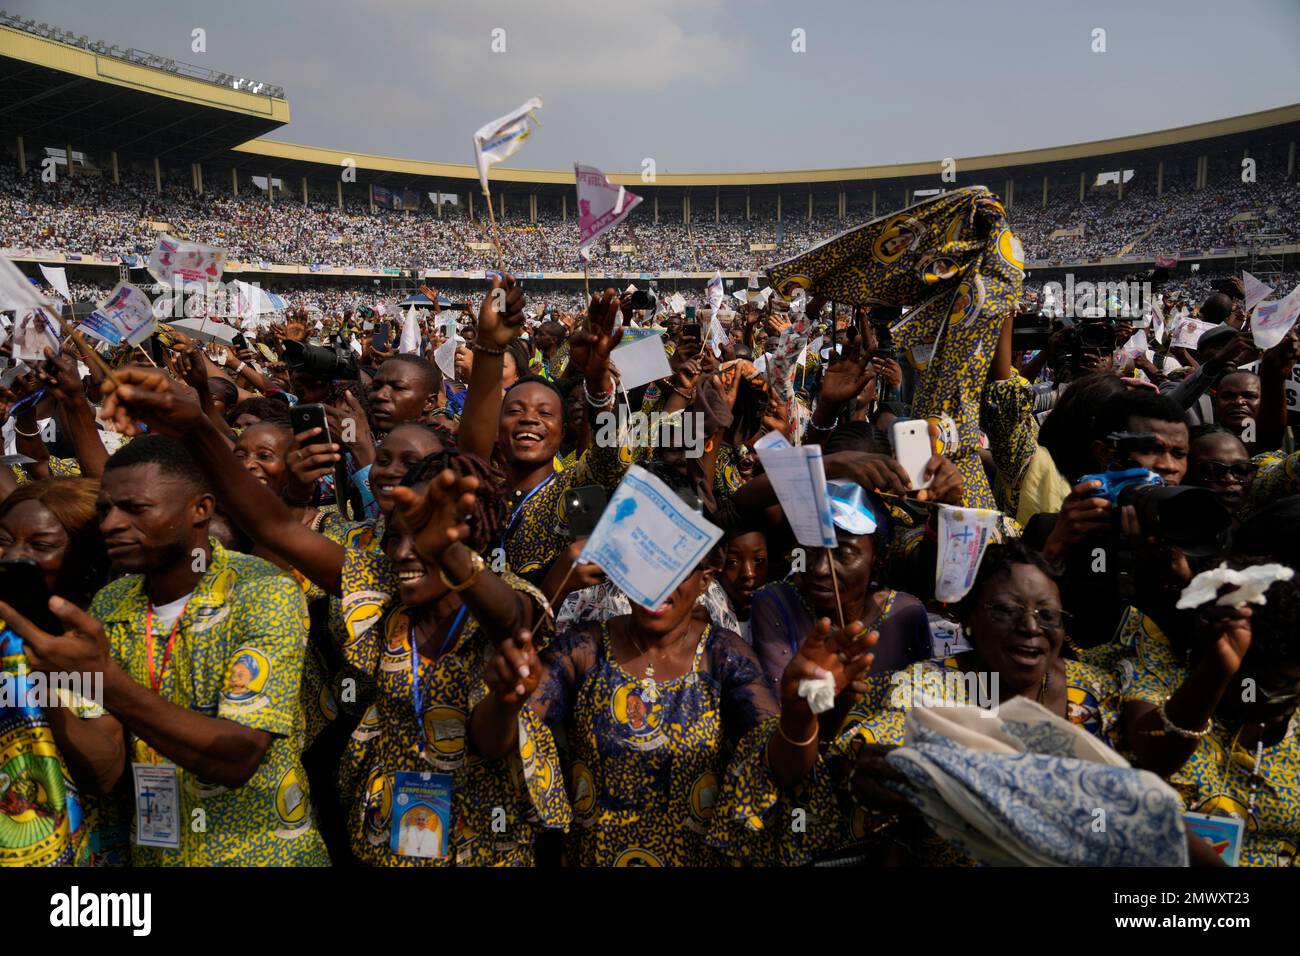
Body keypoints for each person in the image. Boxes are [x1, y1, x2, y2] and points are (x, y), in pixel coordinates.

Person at [93, 369, 568, 866]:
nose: (406, 553)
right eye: (397, 538)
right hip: (388, 843)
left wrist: (448, 554)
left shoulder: (504, 598)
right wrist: (198, 428)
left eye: (424, 540)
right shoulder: (384, 589)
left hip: (482, 848)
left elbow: (512, 621)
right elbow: (274, 525)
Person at [2, 437, 330, 865]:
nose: (111, 525)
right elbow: (105, 770)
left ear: (200, 509)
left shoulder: (262, 591)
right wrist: (47, 681)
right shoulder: (111, 603)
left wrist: (106, 682)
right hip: (158, 856)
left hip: (260, 855)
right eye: (105, 511)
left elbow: (238, 757)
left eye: (134, 509)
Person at [0, 478, 120, 867]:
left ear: (86, 561)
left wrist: (39, 684)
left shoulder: (102, 640)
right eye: (3, 540)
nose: (14, 556)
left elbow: (104, 773)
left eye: (41, 546)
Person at [749, 480, 931, 690]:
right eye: (811, 549)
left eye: (843, 554)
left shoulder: (906, 614)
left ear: (877, 558)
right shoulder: (778, 604)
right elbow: (783, 708)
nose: (820, 569)